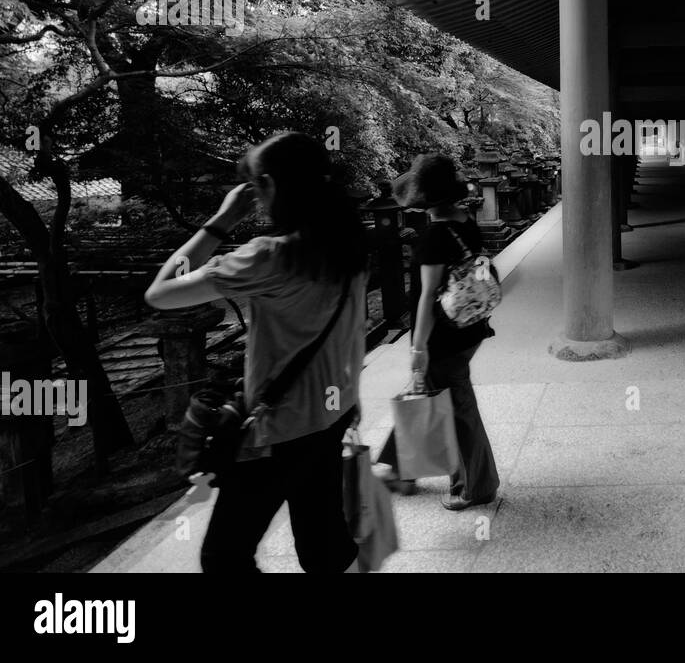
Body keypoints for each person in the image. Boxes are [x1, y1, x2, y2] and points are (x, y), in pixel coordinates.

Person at [144, 131, 369, 572]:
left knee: (224, 555)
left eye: (258, 184)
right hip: (331, 412)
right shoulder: (349, 244)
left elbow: (161, 293)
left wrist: (219, 222)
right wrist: (350, 396)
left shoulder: (268, 256)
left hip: (275, 430)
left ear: (270, 185)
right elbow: (353, 332)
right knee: (323, 541)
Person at [377, 153, 498, 510]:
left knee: (456, 407)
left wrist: (417, 349)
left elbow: (428, 295)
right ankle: (398, 469)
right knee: (430, 392)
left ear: (423, 200)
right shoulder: (466, 223)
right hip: (470, 326)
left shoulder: (432, 237)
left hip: (442, 337)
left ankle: (477, 486)